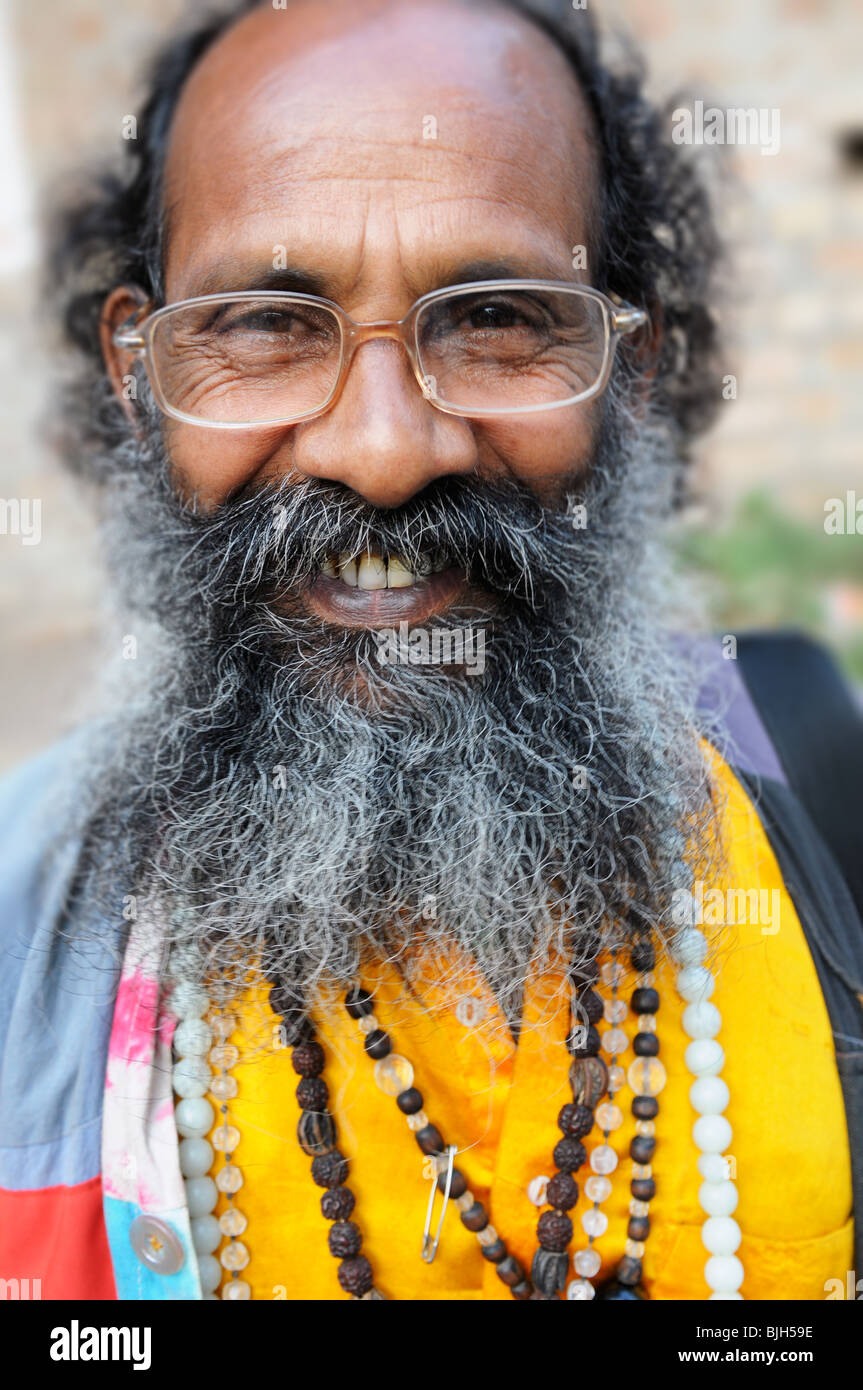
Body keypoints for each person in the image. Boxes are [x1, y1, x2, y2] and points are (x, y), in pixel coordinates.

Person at [1, 0, 861, 1303]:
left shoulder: (824, 783)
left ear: (630, 378)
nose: (388, 450)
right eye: (268, 323)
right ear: (139, 379)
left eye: (500, 316)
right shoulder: (18, 935)